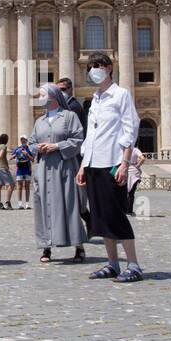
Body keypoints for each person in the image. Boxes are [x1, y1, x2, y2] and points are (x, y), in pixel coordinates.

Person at [76, 52, 143, 282]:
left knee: (116, 216)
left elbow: (130, 128)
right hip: (94, 163)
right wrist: (84, 164)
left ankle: (133, 265)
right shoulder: (95, 98)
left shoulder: (121, 94)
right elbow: (91, 134)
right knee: (100, 217)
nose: (93, 70)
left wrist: (125, 163)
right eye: (90, 66)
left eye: (97, 65)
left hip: (113, 162)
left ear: (109, 67)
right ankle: (112, 263)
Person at [28, 84, 86, 263]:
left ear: (53, 96)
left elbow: (78, 139)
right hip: (44, 167)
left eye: (43, 94)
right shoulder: (39, 121)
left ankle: (78, 245)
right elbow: (31, 143)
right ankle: (46, 247)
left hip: (65, 166)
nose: (40, 97)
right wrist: (38, 147)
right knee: (43, 206)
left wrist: (57, 146)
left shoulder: (70, 116)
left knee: (69, 204)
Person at [57, 77, 89, 227]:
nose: (60, 93)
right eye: (58, 91)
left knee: (74, 194)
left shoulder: (73, 107)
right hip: (69, 154)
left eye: (63, 90)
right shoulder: (65, 106)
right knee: (71, 194)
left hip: (73, 156)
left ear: (70, 90)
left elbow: (73, 134)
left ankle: (89, 223)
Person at [12, 135, 34, 209]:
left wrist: (26, 154)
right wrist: (16, 153)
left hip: (27, 169)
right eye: (21, 139)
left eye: (24, 139)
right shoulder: (17, 148)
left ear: (26, 140)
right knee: (19, 186)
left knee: (27, 186)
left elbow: (33, 159)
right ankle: (20, 204)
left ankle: (27, 204)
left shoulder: (29, 148)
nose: (22, 141)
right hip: (19, 169)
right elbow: (11, 157)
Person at [126, 146, 146, 216]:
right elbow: (143, 158)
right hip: (133, 172)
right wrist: (138, 165)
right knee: (131, 193)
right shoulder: (135, 150)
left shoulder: (123, 149)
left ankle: (123, 210)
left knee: (123, 193)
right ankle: (129, 211)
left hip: (124, 170)